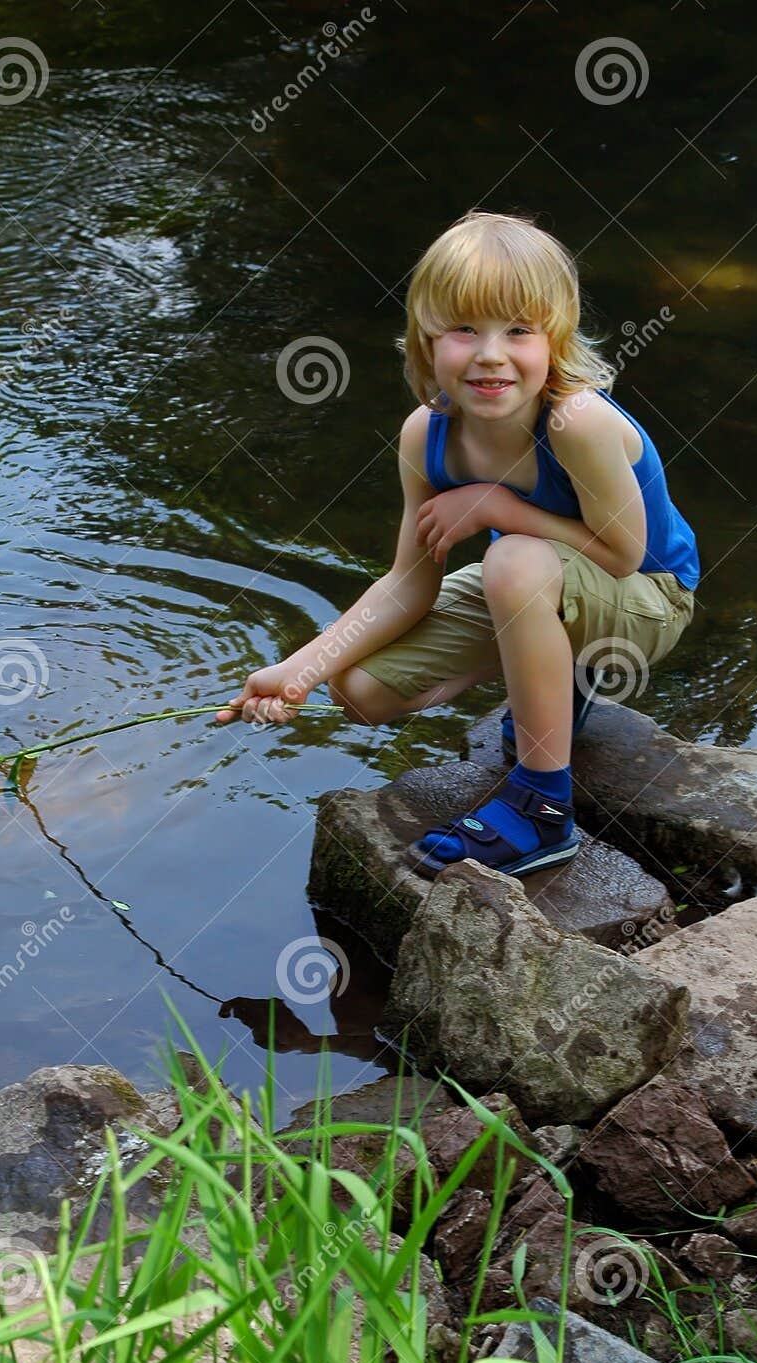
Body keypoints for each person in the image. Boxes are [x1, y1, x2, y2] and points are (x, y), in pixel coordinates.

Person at [216, 208, 699, 878]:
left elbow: (622, 555)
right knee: (359, 689)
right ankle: (556, 679)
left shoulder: (576, 422)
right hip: (537, 583)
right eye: (464, 329)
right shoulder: (427, 435)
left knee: (511, 557)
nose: (490, 353)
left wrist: (496, 506)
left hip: (647, 596)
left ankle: (541, 809)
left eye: (518, 330)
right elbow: (407, 583)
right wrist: (299, 672)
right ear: (426, 339)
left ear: (555, 338)